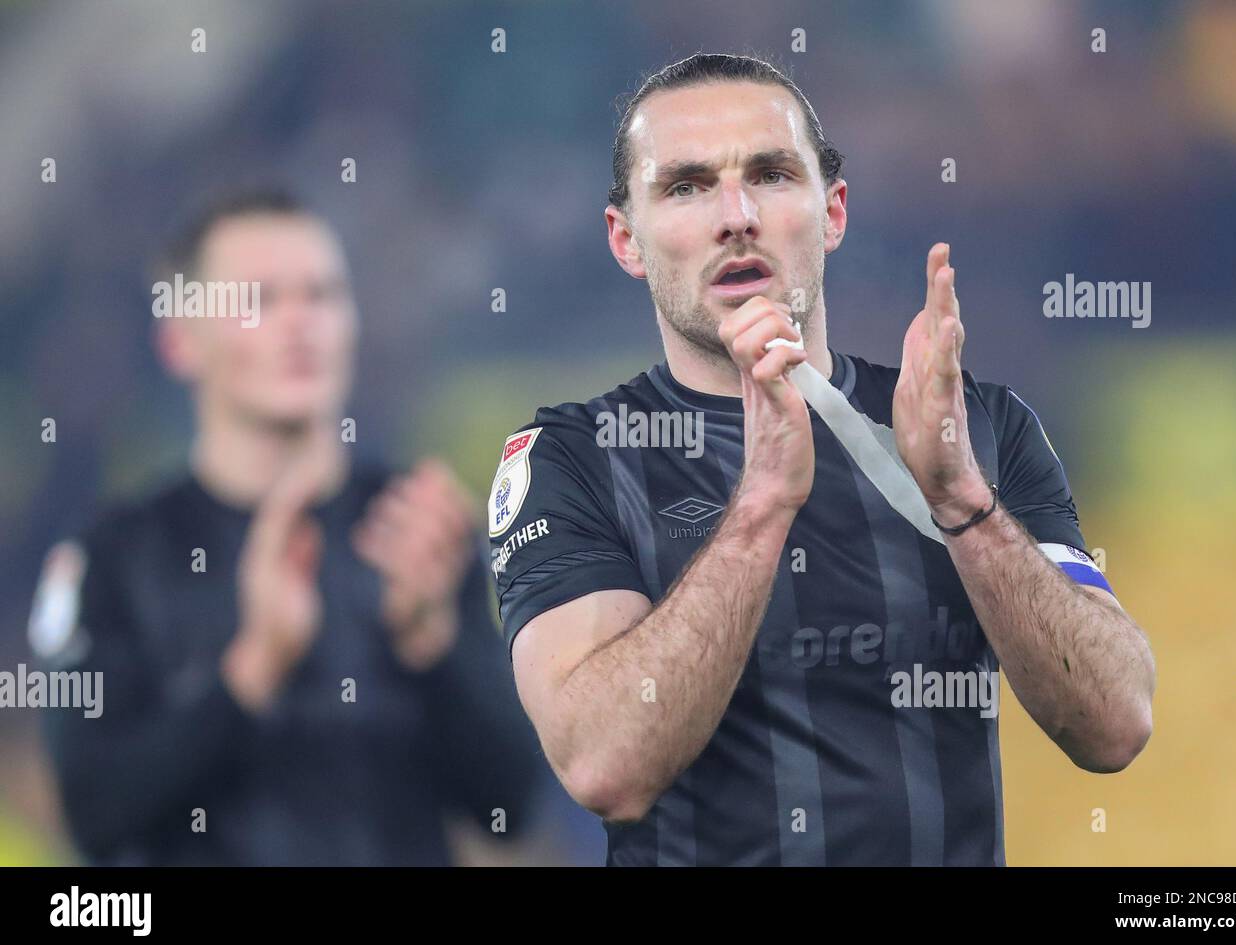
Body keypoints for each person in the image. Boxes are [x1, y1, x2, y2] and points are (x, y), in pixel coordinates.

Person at [487, 54, 1156, 866]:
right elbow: (603, 766)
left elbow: (1116, 724)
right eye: (687, 186)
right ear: (625, 239)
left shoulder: (975, 428)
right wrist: (763, 504)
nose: (737, 216)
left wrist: (962, 503)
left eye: (770, 175)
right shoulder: (572, 461)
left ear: (832, 212)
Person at [30, 189, 545, 865]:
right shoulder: (115, 558)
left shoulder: (413, 526)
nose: (300, 322)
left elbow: (510, 808)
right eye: (259, 300)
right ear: (180, 342)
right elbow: (92, 815)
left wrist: (434, 647)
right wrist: (252, 671)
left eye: (323, 294)